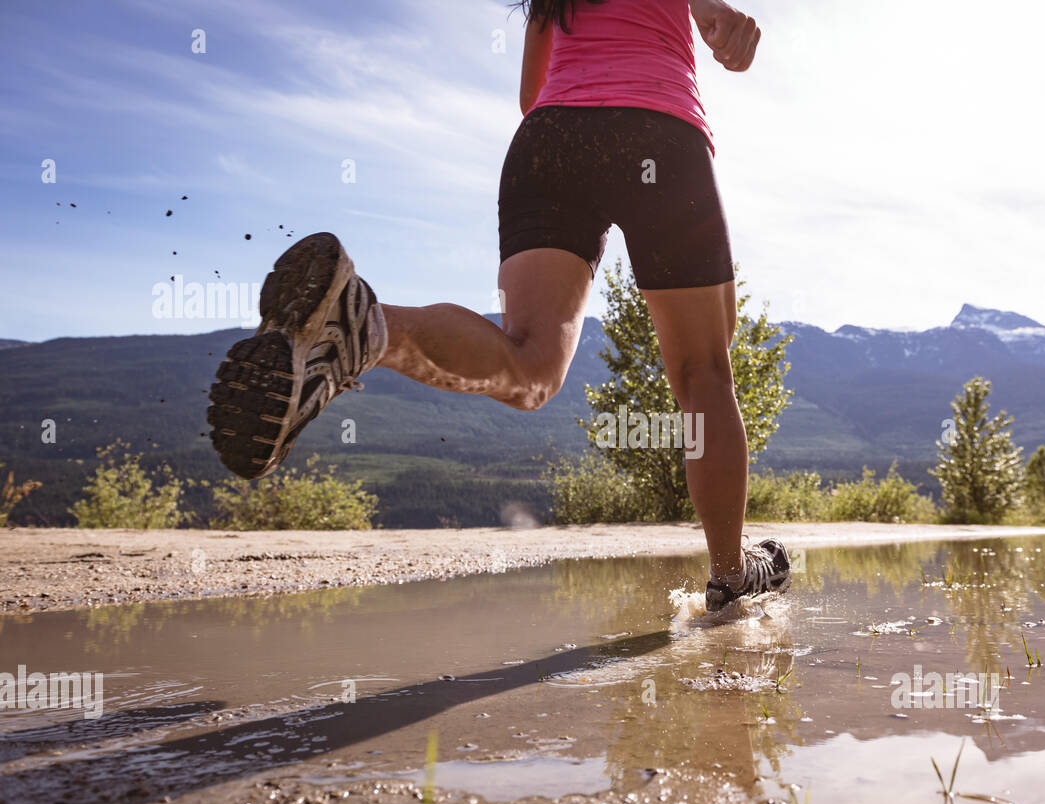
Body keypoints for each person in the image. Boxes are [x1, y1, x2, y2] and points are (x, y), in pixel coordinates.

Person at [206, 0, 790, 612]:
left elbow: (530, 93)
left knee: (530, 365)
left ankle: (364, 325)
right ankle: (730, 576)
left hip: (549, 138)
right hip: (659, 131)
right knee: (703, 373)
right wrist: (716, 13)